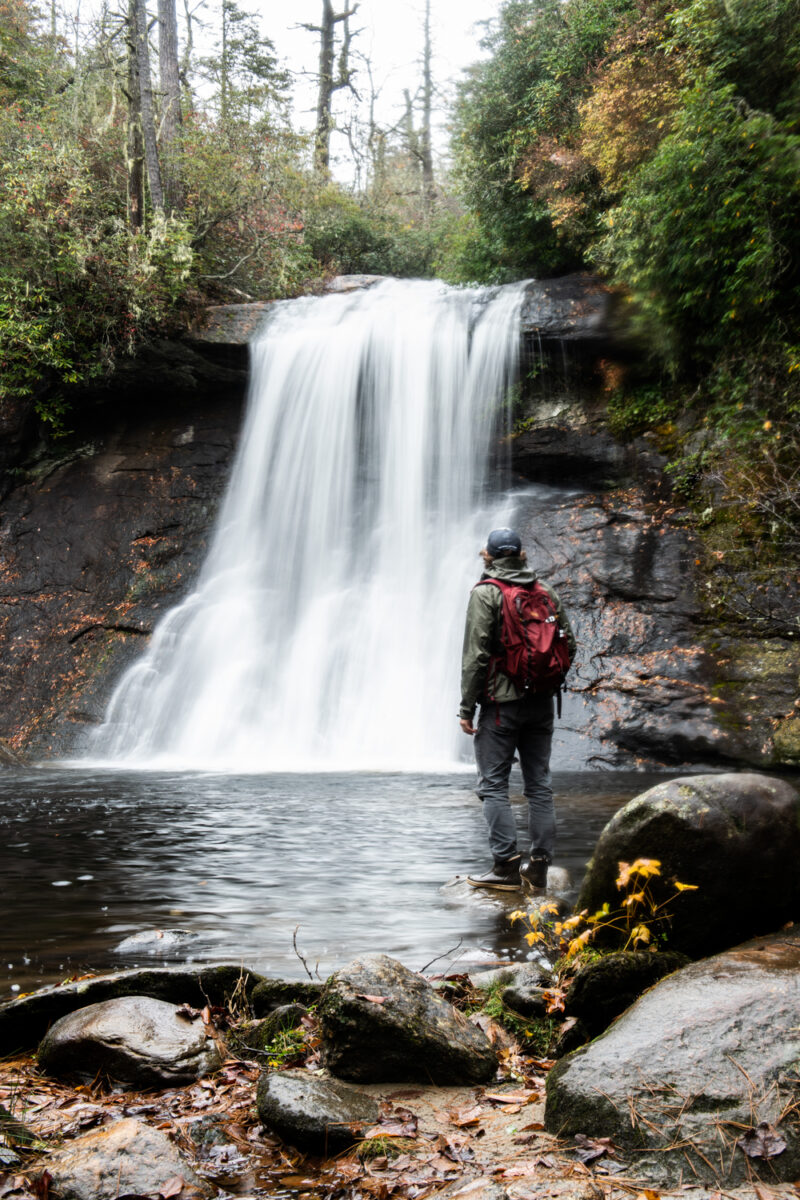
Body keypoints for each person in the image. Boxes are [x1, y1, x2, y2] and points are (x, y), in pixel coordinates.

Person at [459, 527, 576, 892]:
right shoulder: (545, 592)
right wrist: (543, 682)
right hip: (541, 703)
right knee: (539, 786)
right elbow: (568, 645)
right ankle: (539, 867)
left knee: (493, 785)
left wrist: (466, 707)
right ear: (522, 555)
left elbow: (476, 656)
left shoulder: (487, 593)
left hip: (501, 705)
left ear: (488, 556)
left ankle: (505, 867)